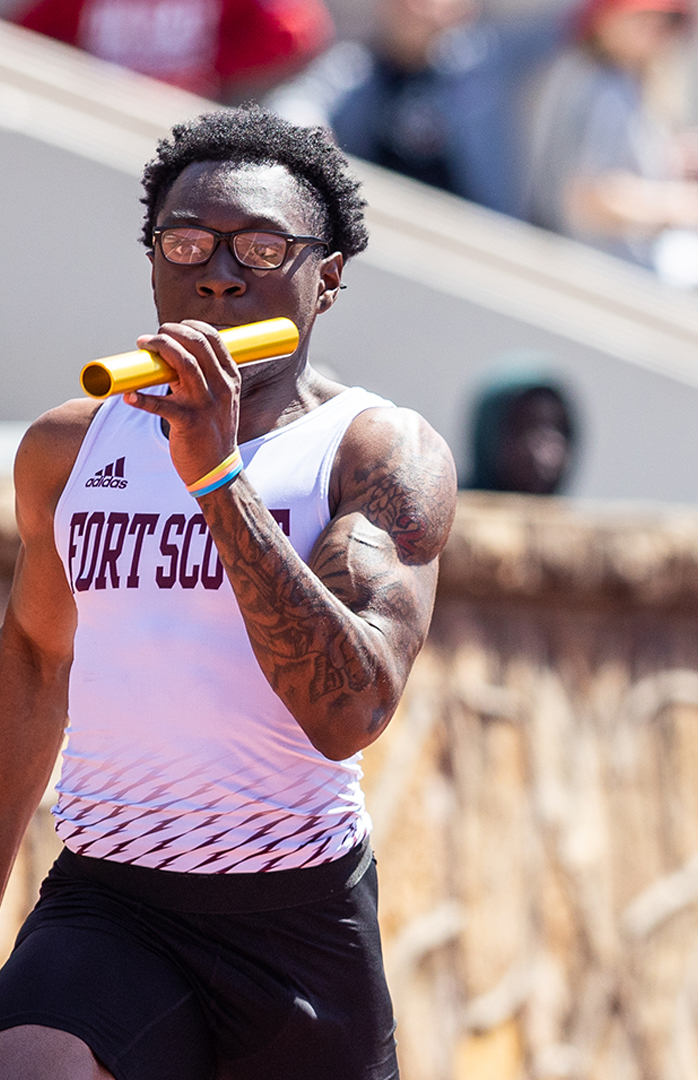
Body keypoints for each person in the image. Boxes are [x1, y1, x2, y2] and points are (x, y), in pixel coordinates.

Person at [0, 107, 456, 1080]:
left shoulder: (375, 452)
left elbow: (349, 711)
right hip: (108, 902)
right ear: (153, 266)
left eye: (260, 247)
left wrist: (216, 478)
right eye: (186, 243)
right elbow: (36, 661)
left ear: (327, 278)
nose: (218, 273)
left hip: (295, 914)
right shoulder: (70, 447)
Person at [266, 0, 564, 215]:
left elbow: (557, 25)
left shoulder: (483, 63)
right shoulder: (357, 67)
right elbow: (298, 102)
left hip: (470, 231)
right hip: (379, 218)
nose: (415, 8)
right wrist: (312, 138)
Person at [520, 0, 698, 287]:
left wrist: (671, 161)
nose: (653, 30)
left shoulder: (614, 82)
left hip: (603, 277)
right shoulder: (602, 87)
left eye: (665, 21)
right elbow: (586, 202)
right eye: (642, 18)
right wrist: (680, 205)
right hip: (589, 281)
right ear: (606, 20)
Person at [12, 0, 331, 102]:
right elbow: (23, 37)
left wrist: (212, 72)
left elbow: (298, 31)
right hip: (94, 116)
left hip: (187, 129)